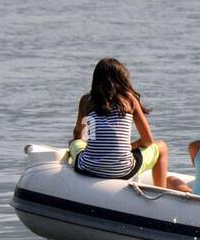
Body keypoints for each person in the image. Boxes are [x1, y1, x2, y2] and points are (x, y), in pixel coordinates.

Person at [69, 58, 181, 189]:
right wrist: (134, 145)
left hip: (88, 168)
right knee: (162, 147)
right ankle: (160, 192)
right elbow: (148, 140)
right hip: (123, 170)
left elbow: (78, 132)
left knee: (76, 142)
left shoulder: (86, 100)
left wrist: (85, 144)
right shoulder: (130, 100)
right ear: (122, 79)